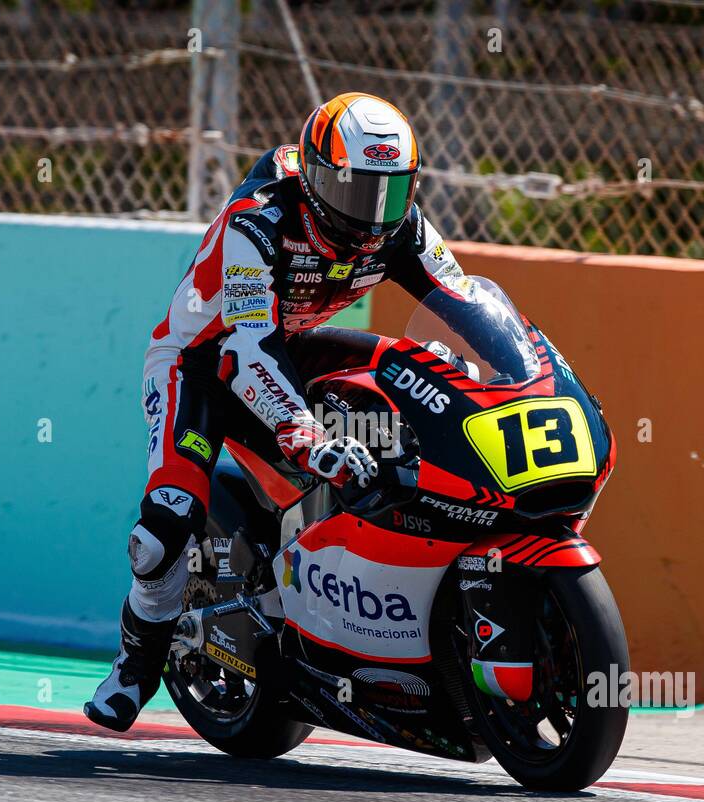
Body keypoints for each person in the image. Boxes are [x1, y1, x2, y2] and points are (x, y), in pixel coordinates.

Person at [85, 92, 468, 732]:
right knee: (164, 529)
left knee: (404, 408)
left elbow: (463, 298)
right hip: (203, 364)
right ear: (318, 181)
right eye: (356, 193)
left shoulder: (403, 227)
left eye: (391, 192)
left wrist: (521, 370)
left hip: (289, 347)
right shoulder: (256, 224)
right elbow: (245, 349)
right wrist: (303, 431)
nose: (374, 216)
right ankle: (136, 663)